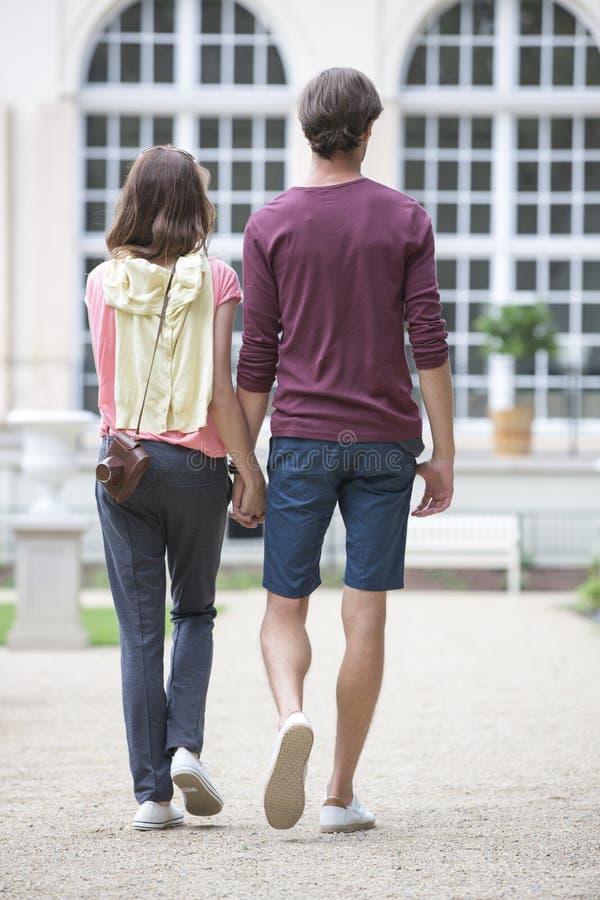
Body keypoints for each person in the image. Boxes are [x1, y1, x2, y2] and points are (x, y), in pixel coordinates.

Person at [233, 68, 454, 833]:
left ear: (307, 130)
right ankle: (337, 793)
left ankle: (291, 714)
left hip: (300, 438)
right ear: (367, 130)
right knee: (365, 615)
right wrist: (444, 454)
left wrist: (245, 465)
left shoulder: (270, 225)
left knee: (283, 607)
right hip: (386, 443)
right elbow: (429, 341)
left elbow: (256, 357)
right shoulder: (404, 218)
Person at [86, 146, 266, 830]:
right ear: (196, 206)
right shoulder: (217, 278)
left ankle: (152, 796)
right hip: (195, 468)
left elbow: (110, 383)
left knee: (139, 632)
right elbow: (221, 391)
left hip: (124, 468)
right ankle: (185, 745)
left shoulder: (100, 282)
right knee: (193, 612)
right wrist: (248, 471)